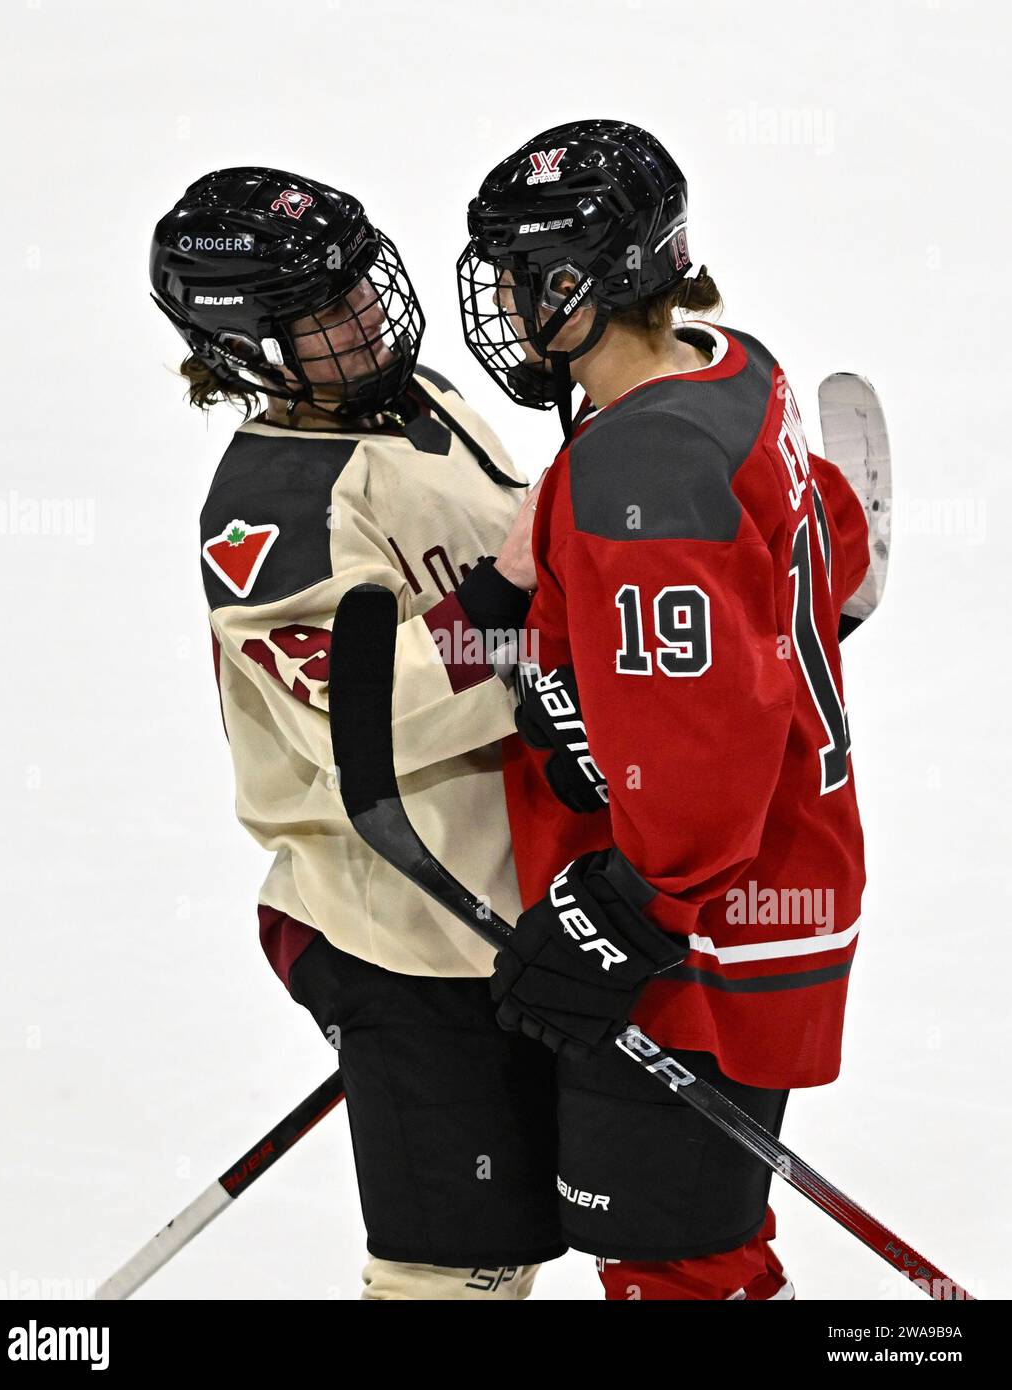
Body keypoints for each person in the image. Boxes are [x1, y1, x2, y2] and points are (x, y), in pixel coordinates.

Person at [457, 118, 872, 1300]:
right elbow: (806, 527)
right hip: (767, 864)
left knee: (677, 1260)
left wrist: (630, 906)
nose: (500, 304)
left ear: (578, 283)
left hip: (707, 919)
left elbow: (692, 759)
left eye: (514, 277)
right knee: (683, 1241)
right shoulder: (729, 364)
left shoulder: (637, 472)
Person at [149, 167, 562, 1300]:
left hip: (506, 902)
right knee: (456, 1270)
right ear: (248, 348)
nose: (366, 316)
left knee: (518, 1240)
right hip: (397, 926)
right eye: (323, 312)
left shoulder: (424, 399)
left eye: (361, 286)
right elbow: (363, 714)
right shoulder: (270, 508)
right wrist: (512, 599)